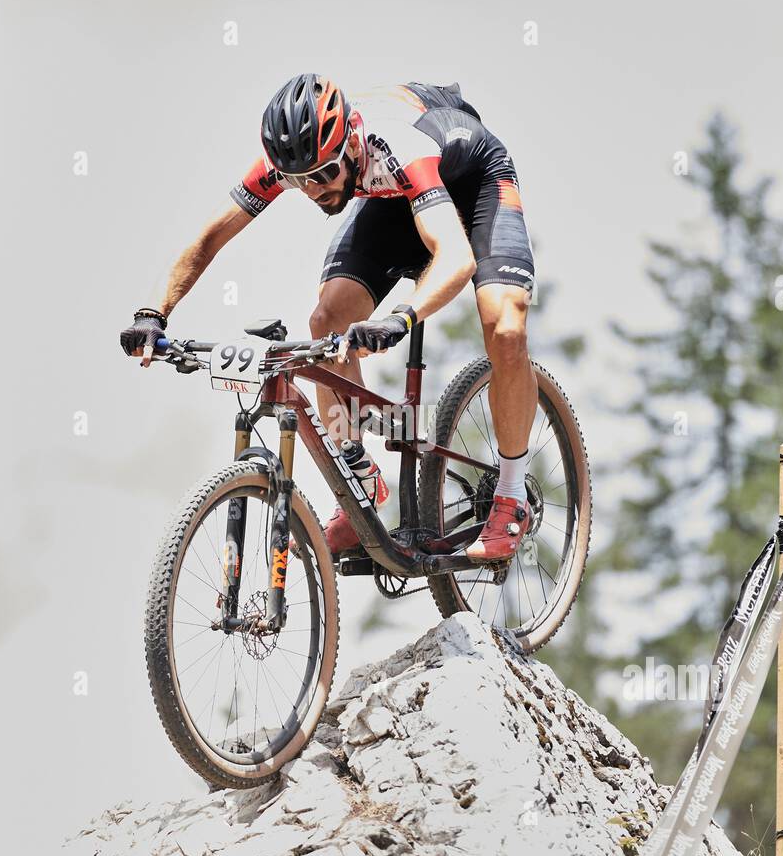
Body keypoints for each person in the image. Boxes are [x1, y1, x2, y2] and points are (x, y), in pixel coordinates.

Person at [120, 74, 538, 560]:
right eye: (298, 181)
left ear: (352, 142)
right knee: (327, 322)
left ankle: (511, 496)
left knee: (505, 328)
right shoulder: (294, 164)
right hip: (393, 195)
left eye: (323, 175)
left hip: (473, 185)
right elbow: (209, 238)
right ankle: (360, 485)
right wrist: (153, 312)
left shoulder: (394, 146)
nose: (313, 190)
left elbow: (455, 257)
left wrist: (400, 319)